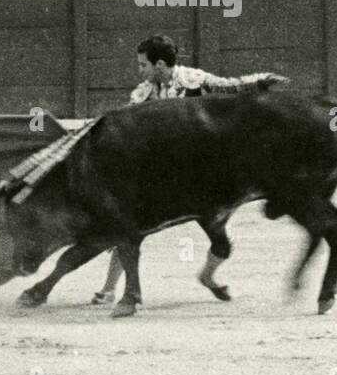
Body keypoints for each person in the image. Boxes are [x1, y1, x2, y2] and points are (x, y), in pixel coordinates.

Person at [86, 32, 288, 305]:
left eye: (142, 64)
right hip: (163, 178)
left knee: (219, 238)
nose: (139, 70)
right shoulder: (143, 94)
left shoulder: (194, 80)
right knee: (129, 226)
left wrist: (261, 80)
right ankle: (109, 288)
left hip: (200, 178)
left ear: (159, 65)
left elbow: (230, 86)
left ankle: (207, 277)